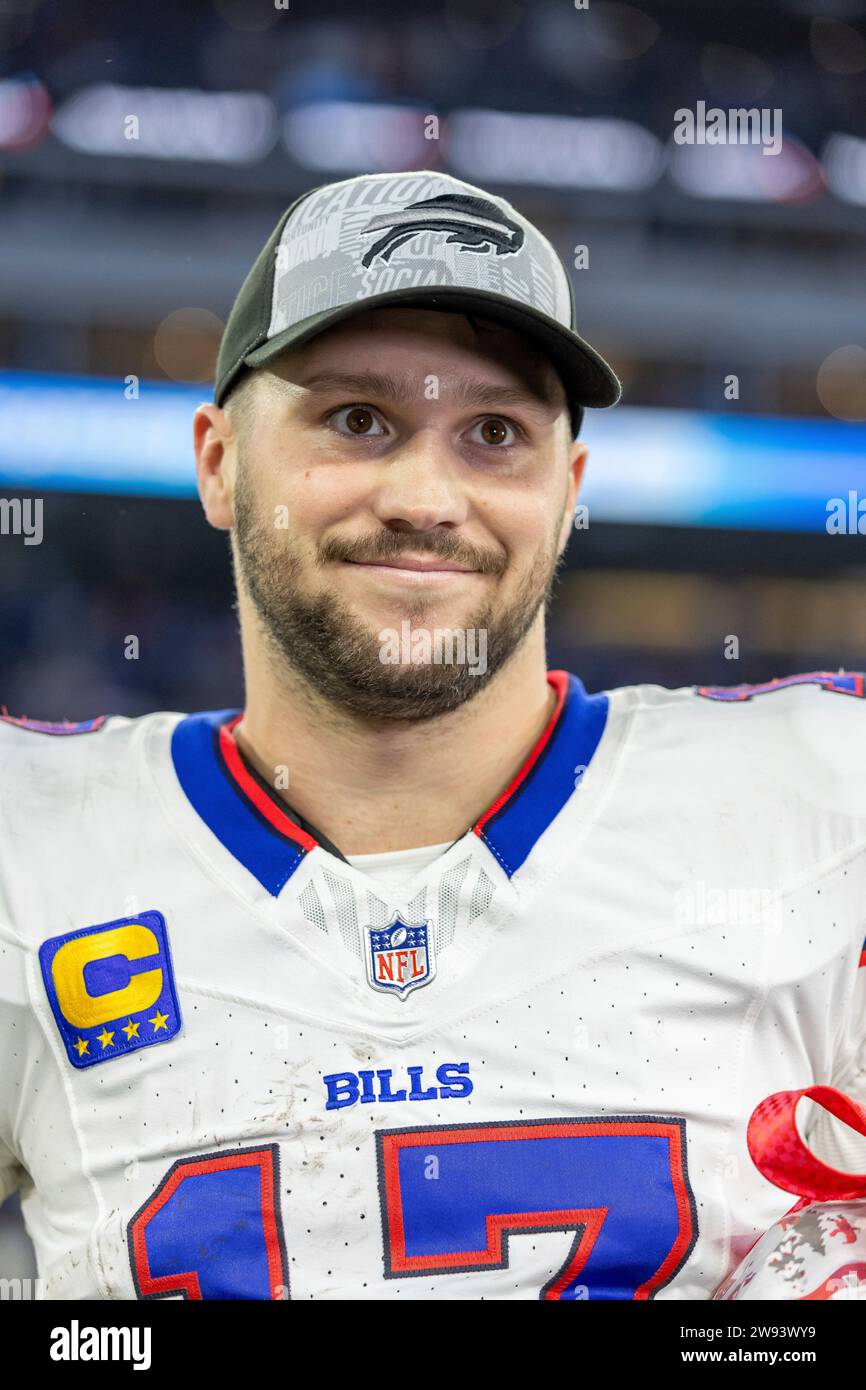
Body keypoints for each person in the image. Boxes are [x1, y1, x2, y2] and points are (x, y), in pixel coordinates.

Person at [1, 171, 864, 1301]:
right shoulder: (32, 838)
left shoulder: (820, 796)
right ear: (217, 461)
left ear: (568, 490)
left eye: (494, 432)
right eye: (357, 419)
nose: (424, 494)